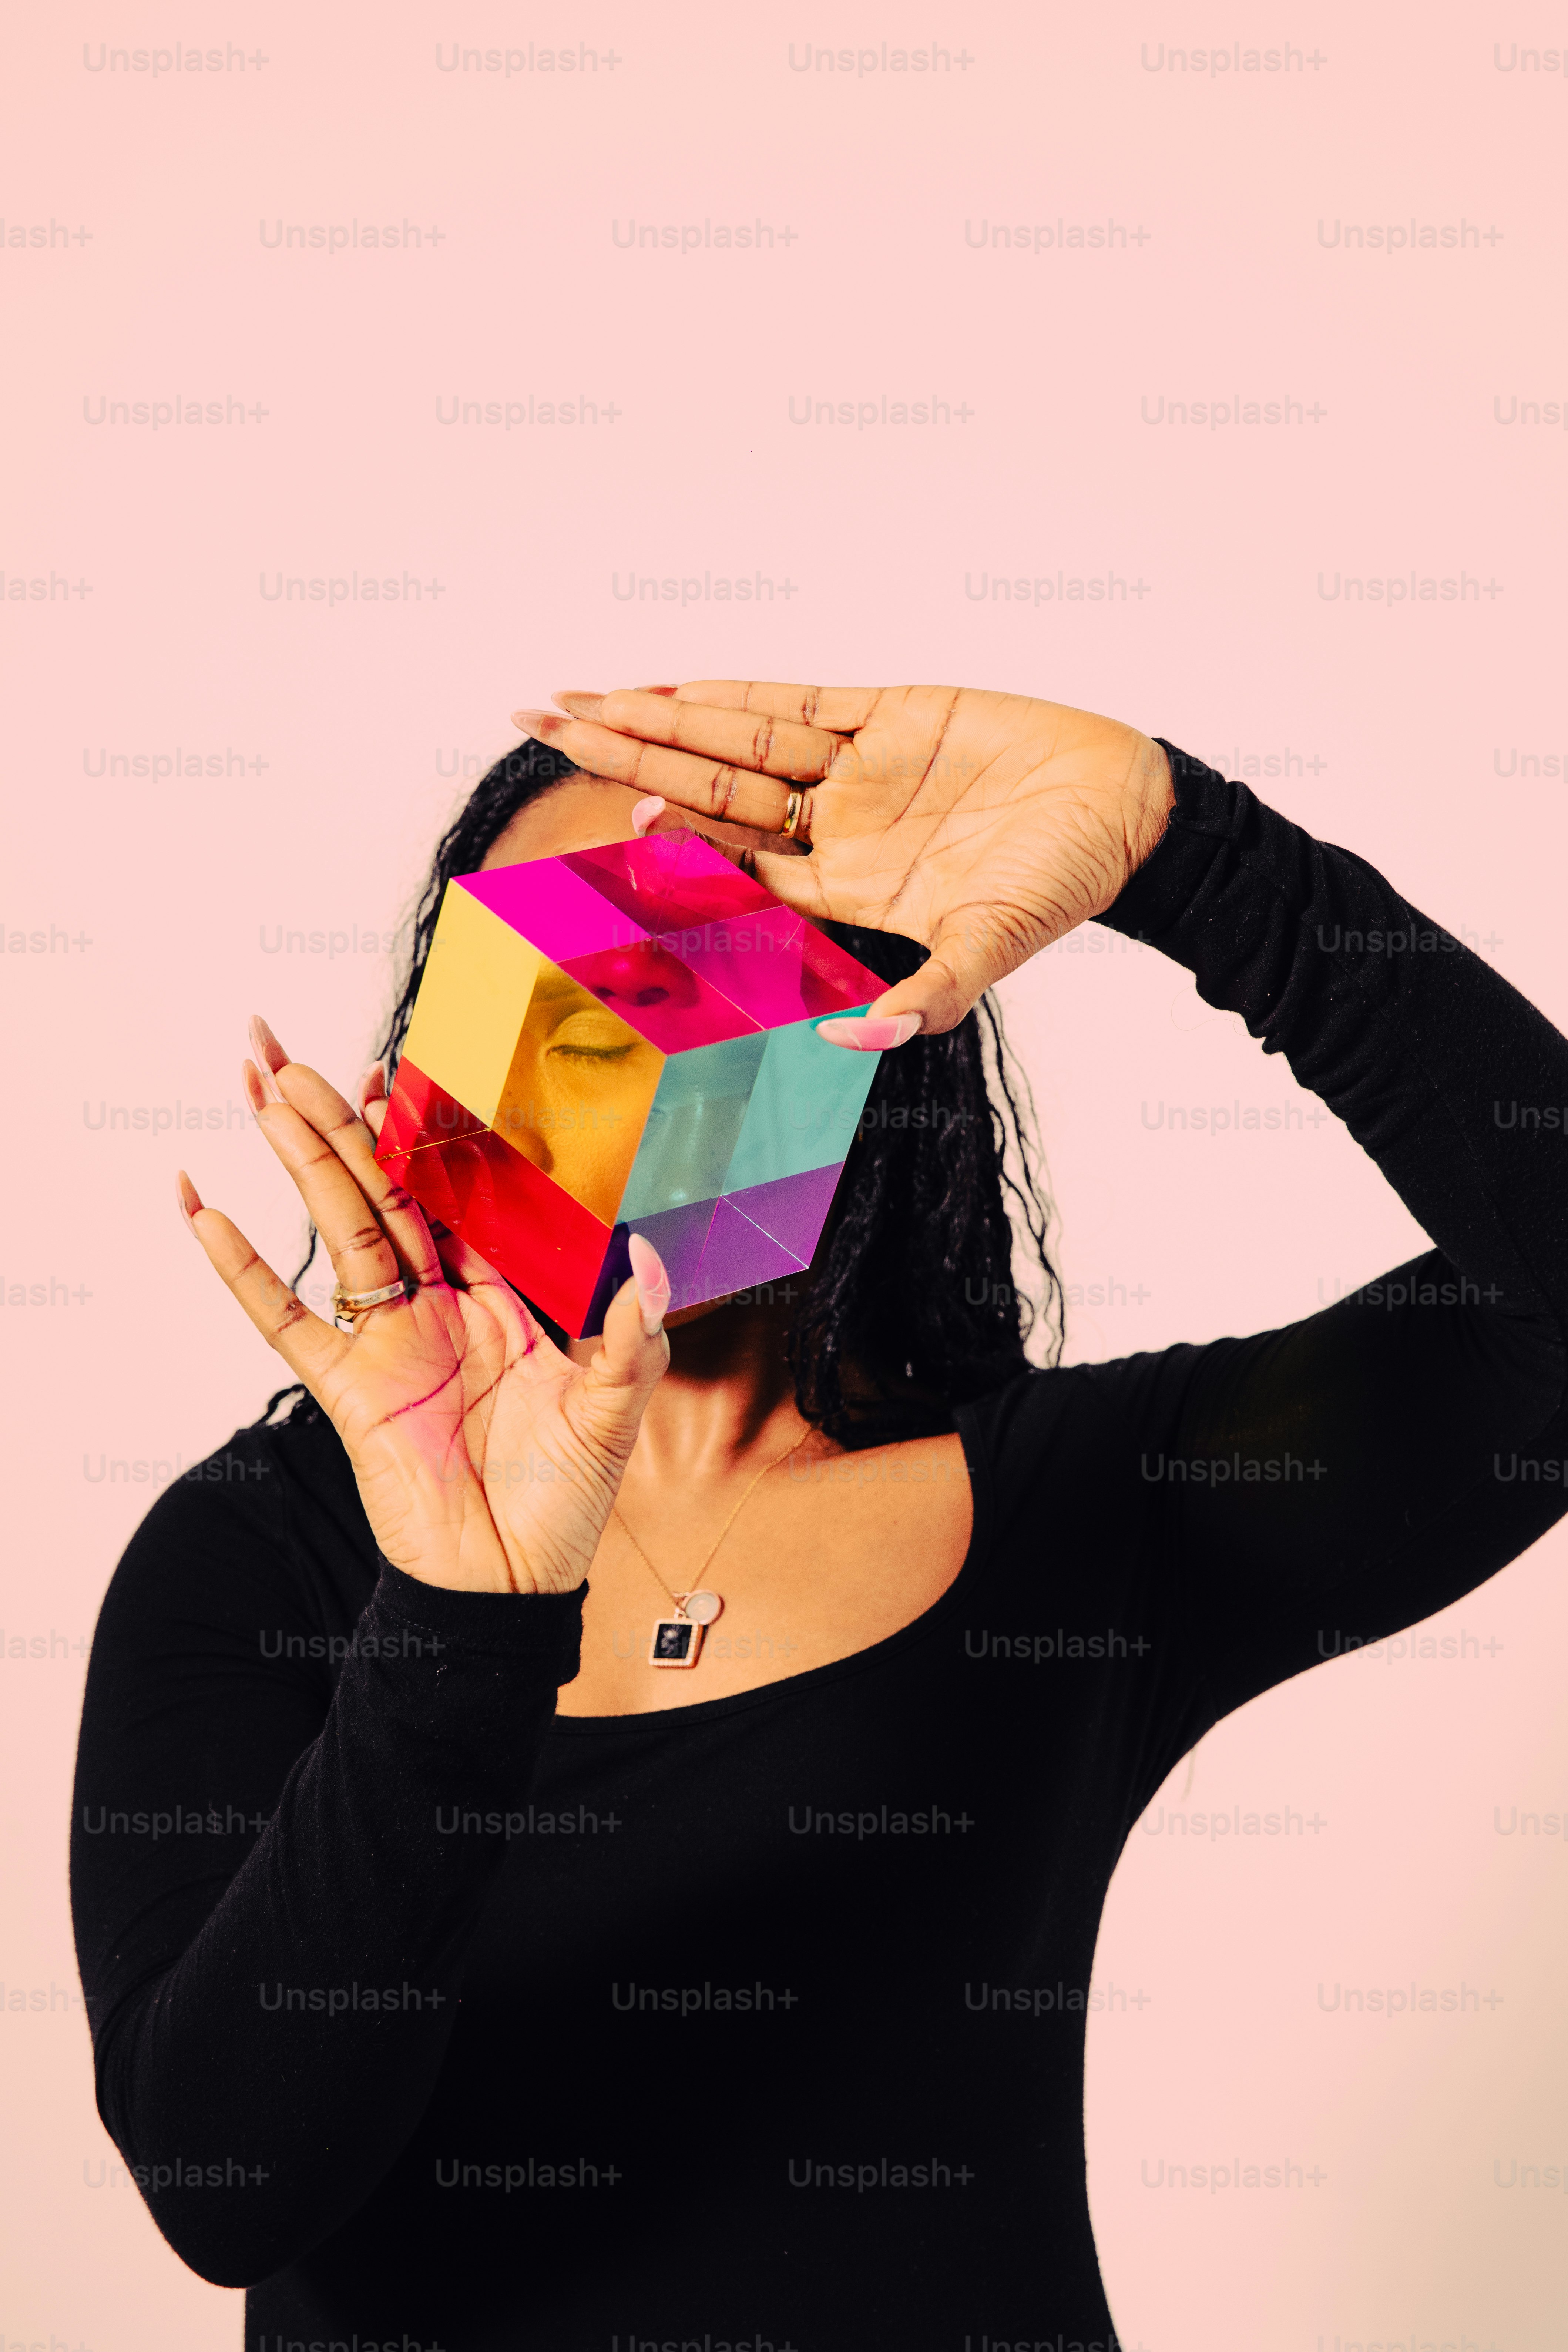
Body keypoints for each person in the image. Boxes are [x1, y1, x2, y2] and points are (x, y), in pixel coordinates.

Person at [71, 681, 1568, 2350]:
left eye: (700, 938)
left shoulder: (1079, 1516)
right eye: (543, 951)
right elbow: (227, 2179)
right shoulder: (266, 1549)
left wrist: (1183, 848)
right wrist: (456, 1612)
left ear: (873, 1024)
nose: (606, 1021)